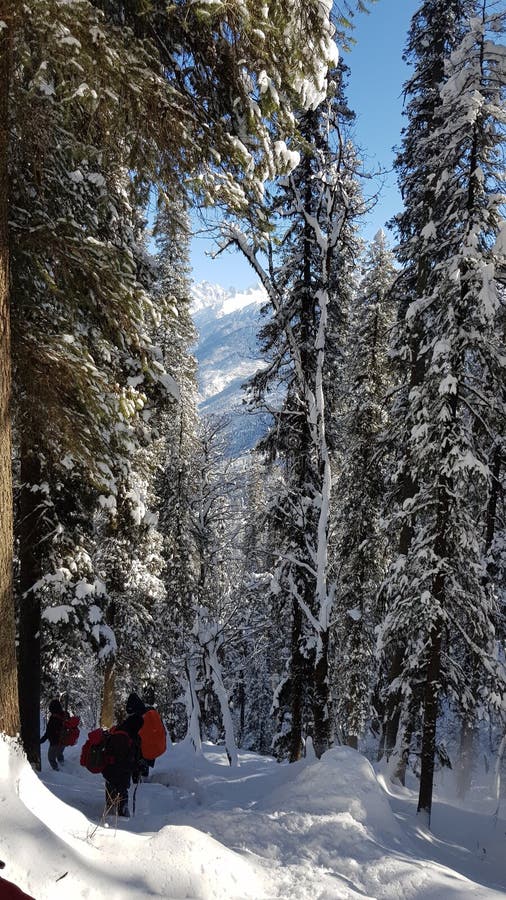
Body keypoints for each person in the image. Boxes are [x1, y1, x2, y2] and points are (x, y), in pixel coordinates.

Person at [102, 710, 143, 818]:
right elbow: (127, 759)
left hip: (109, 769)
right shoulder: (129, 736)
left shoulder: (119, 730)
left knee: (111, 789)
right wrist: (135, 768)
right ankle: (121, 816)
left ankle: (111, 812)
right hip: (120, 771)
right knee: (121, 791)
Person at [40, 699, 66, 771]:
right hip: (64, 740)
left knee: (51, 758)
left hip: (55, 742)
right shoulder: (64, 715)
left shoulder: (53, 718)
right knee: (59, 754)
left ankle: (57, 771)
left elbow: (48, 732)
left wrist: (41, 740)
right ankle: (63, 766)